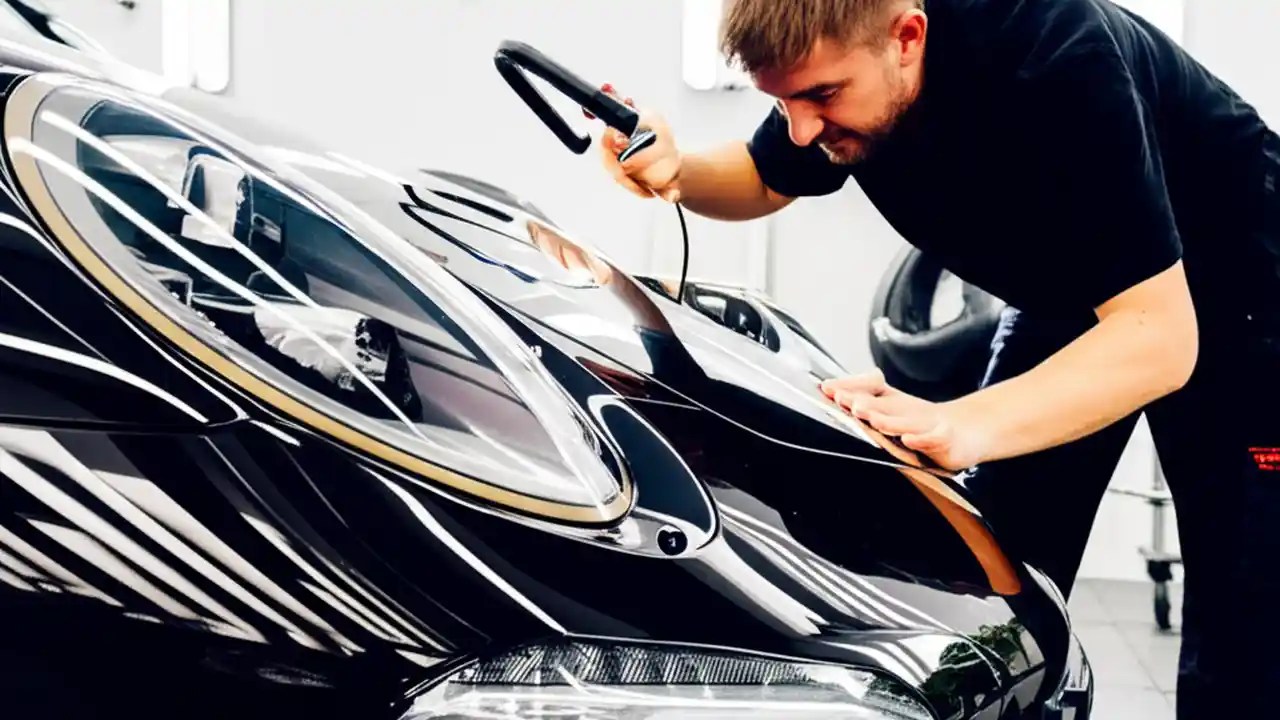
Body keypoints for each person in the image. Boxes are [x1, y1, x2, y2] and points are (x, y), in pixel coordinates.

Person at [595, 0, 1280, 716]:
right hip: (1071, 287)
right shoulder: (840, 73)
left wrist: (962, 424)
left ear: (908, 37)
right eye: (784, 103)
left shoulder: (1057, 56)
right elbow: (767, 177)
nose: (802, 128)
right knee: (993, 573)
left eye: (822, 96)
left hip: (1247, 289)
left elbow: (1158, 338)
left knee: (1245, 617)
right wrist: (677, 170)